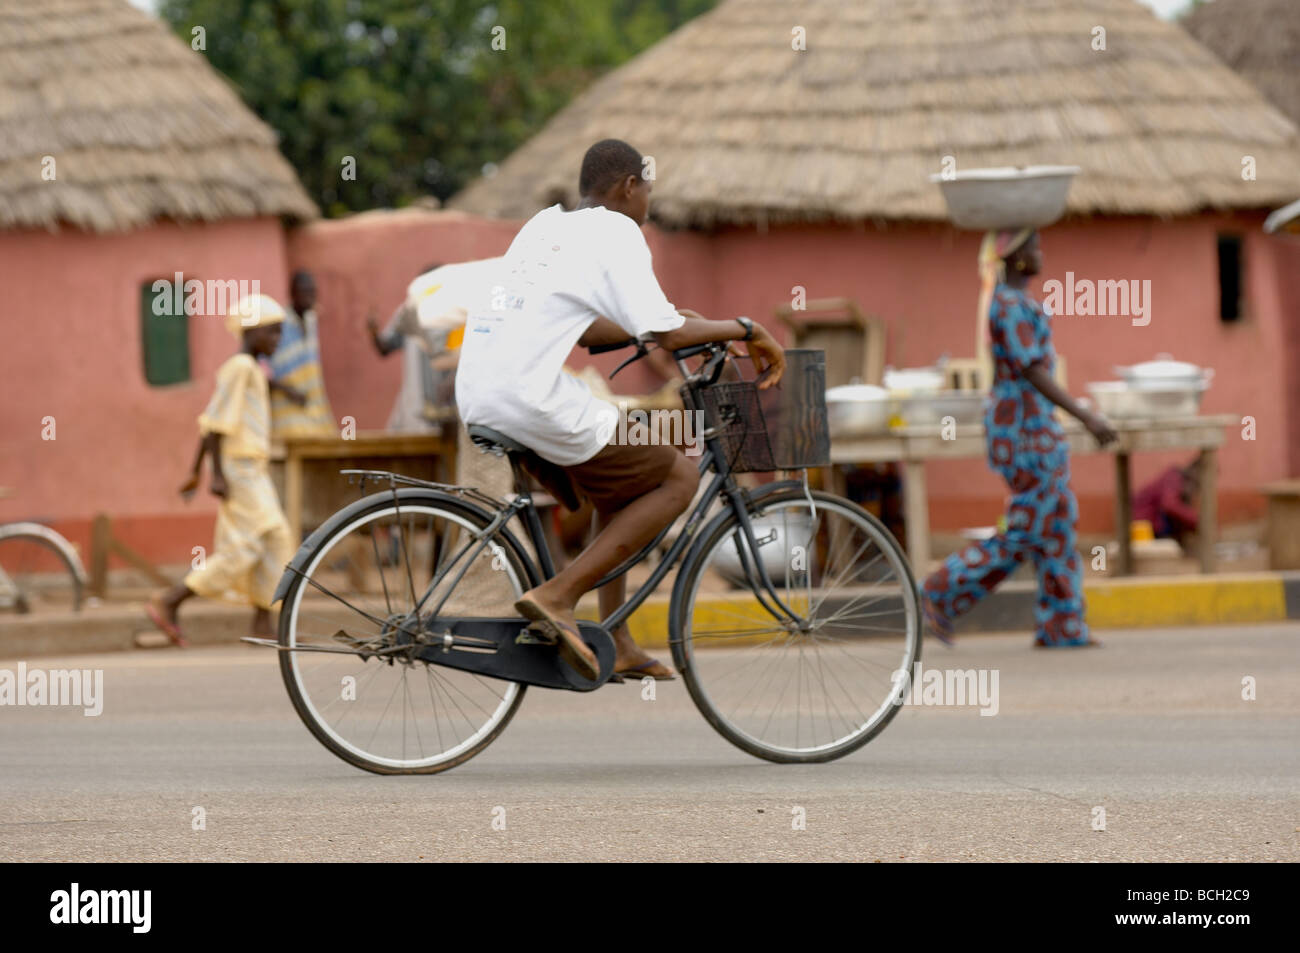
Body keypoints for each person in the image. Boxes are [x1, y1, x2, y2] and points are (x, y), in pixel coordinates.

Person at [455, 138, 786, 680]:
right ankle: (559, 596)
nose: (649, 201)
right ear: (630, 186)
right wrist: (748, 329)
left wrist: (669, 325)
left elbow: (587, 328)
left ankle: (617, 639)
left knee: (624, 476)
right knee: (678, 477)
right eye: (648, 188)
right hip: (527, 395)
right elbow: (671, 334)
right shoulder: (618, 232)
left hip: (480, 391)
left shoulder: (547, 226)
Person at [920, 230, 1118, 648]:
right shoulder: (1007, 306)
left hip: (1037, 426)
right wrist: (1086, 416)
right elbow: (1032, 370)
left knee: (1058, 521)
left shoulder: (1023, 303)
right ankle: (939, 592)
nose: (1039, 254)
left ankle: (1062, 624)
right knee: (1029, 527)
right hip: (1022, 430)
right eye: (1032, 248)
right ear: (1013, 258)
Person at [146, 295, 296, 644]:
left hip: (252, 469)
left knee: (276, 539)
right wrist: (214, 473)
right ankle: (170, 600)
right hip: (239, 470)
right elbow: (215, 423)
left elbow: (211, 421)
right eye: (272, 333)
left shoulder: (250, 368)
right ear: (252, 331)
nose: (277, 341)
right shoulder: (240, 367)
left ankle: (262, 621)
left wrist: (197, 471)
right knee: (244, 548)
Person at [268, 270, 336, 438]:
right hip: (288, 412)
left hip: (316, 408)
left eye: (312, 292)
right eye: (304, 292)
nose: (309, 297)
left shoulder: (311, 320)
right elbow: (258, 369)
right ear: (292, 294)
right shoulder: (278, 325)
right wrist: (287, 390)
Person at [1133, 461, 1200, 552]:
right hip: (1144, 525)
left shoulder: (1180, 483)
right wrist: (1197, 520)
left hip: (1153, 524)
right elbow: (1169, 504)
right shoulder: (1174, 477)